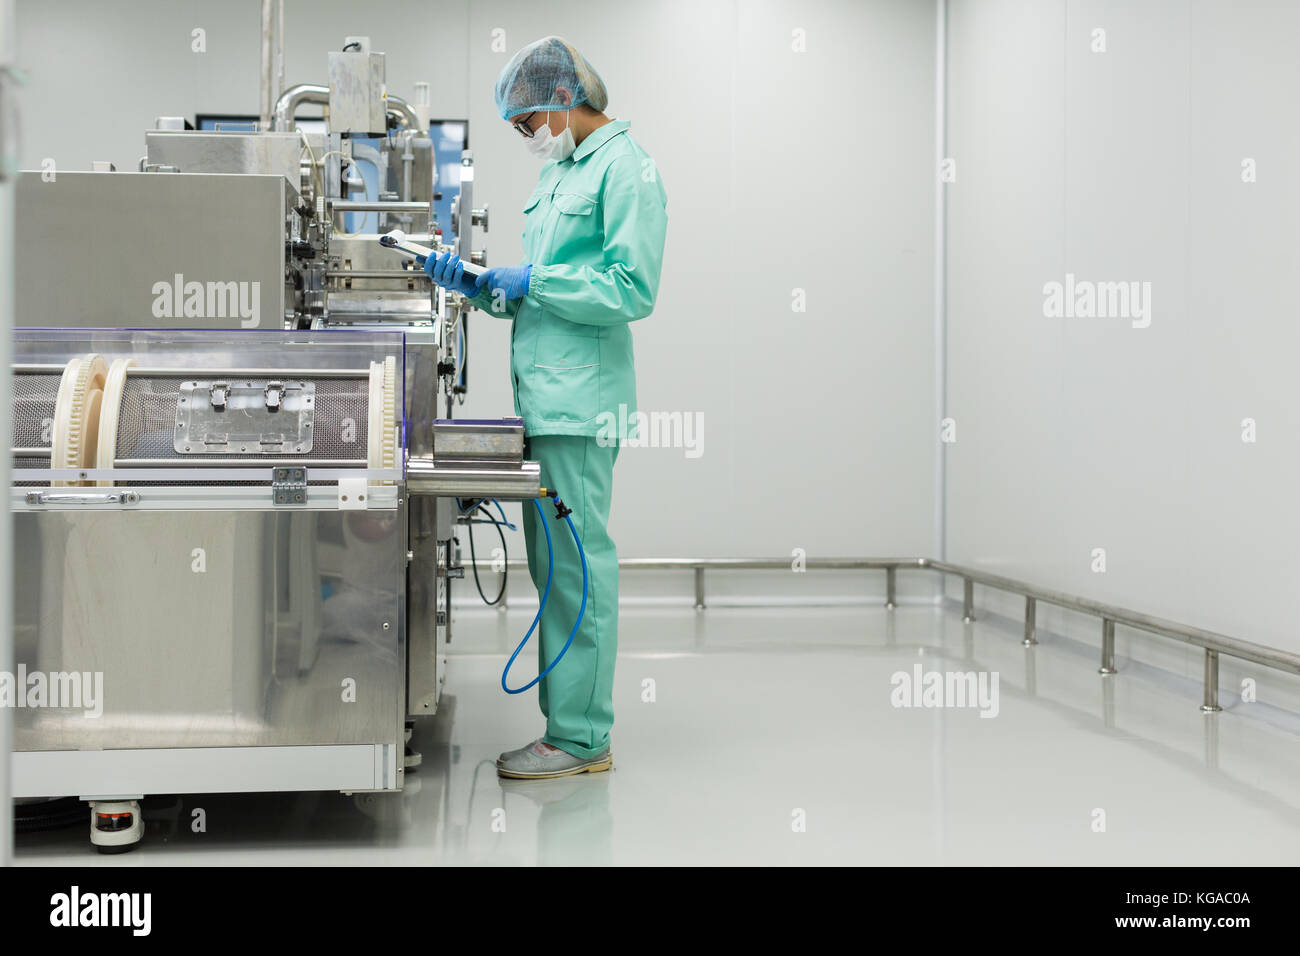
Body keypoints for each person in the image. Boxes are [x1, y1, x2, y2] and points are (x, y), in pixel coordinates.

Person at [425, 36, 668, 779]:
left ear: (564, 100)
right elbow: (540, 291)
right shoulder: (566, 173)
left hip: (582, 405)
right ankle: (568, 726)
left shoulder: (625, 171)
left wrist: (531, 280)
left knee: (577, 568)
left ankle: (581, 738)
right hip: (548, 398)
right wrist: (476, 285)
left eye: (527, 121)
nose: (526, 135)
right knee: (555, 565)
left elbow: (631, 289)